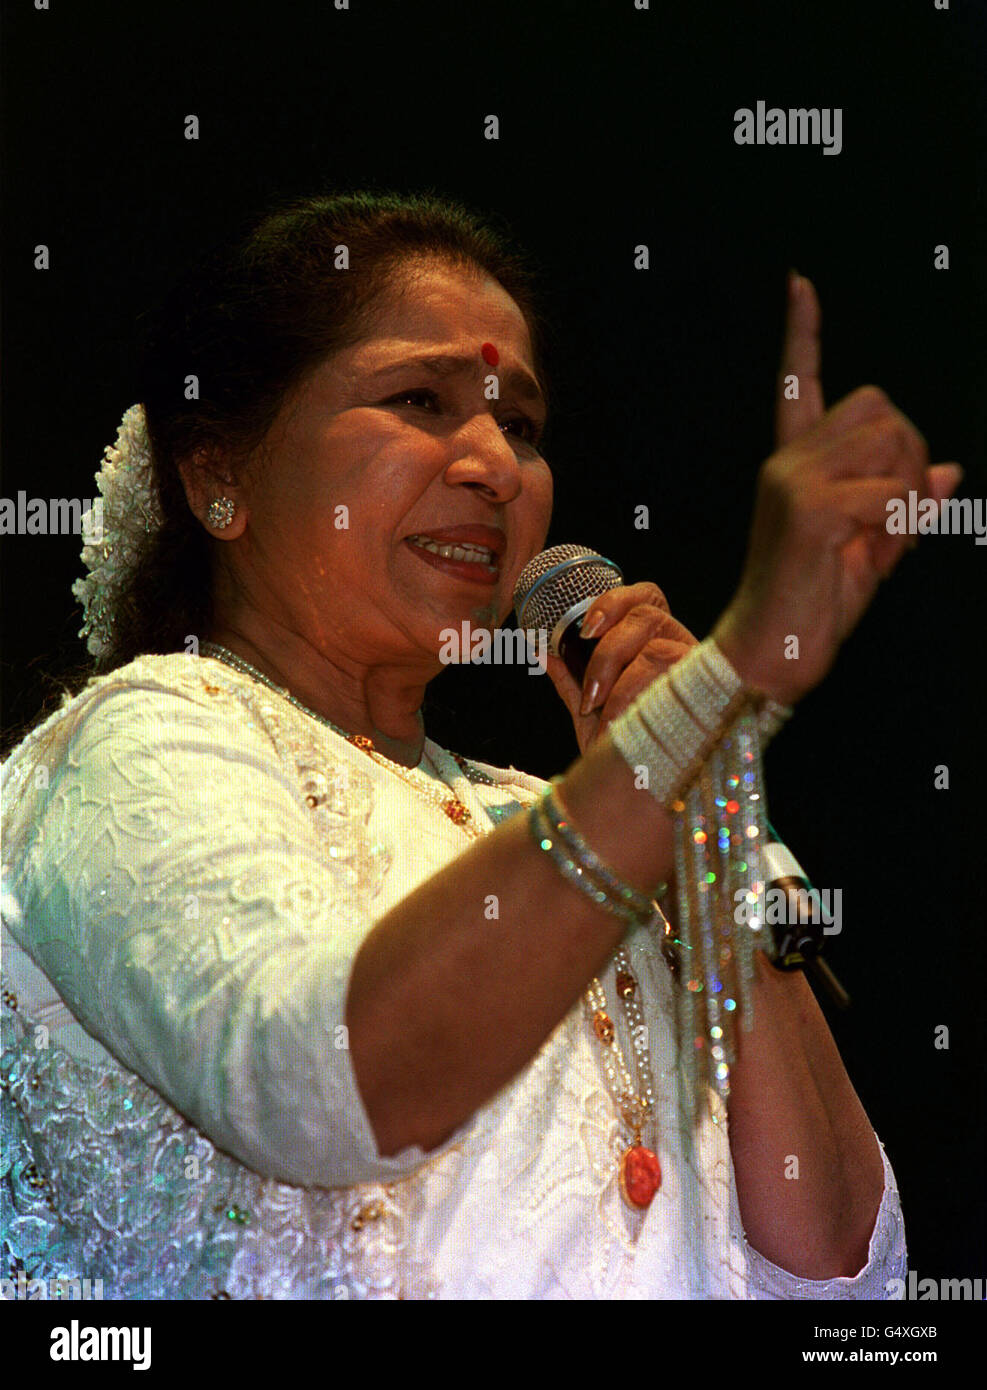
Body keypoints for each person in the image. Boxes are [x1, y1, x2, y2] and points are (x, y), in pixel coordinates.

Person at [0, 190, 961, 1300]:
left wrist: (705, 813)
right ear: (219, 476)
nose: (495, 465)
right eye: (421, 398)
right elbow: (326, 1077)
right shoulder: (140, 742)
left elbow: (841, 1267)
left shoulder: (542, 811)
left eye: (521, 424)